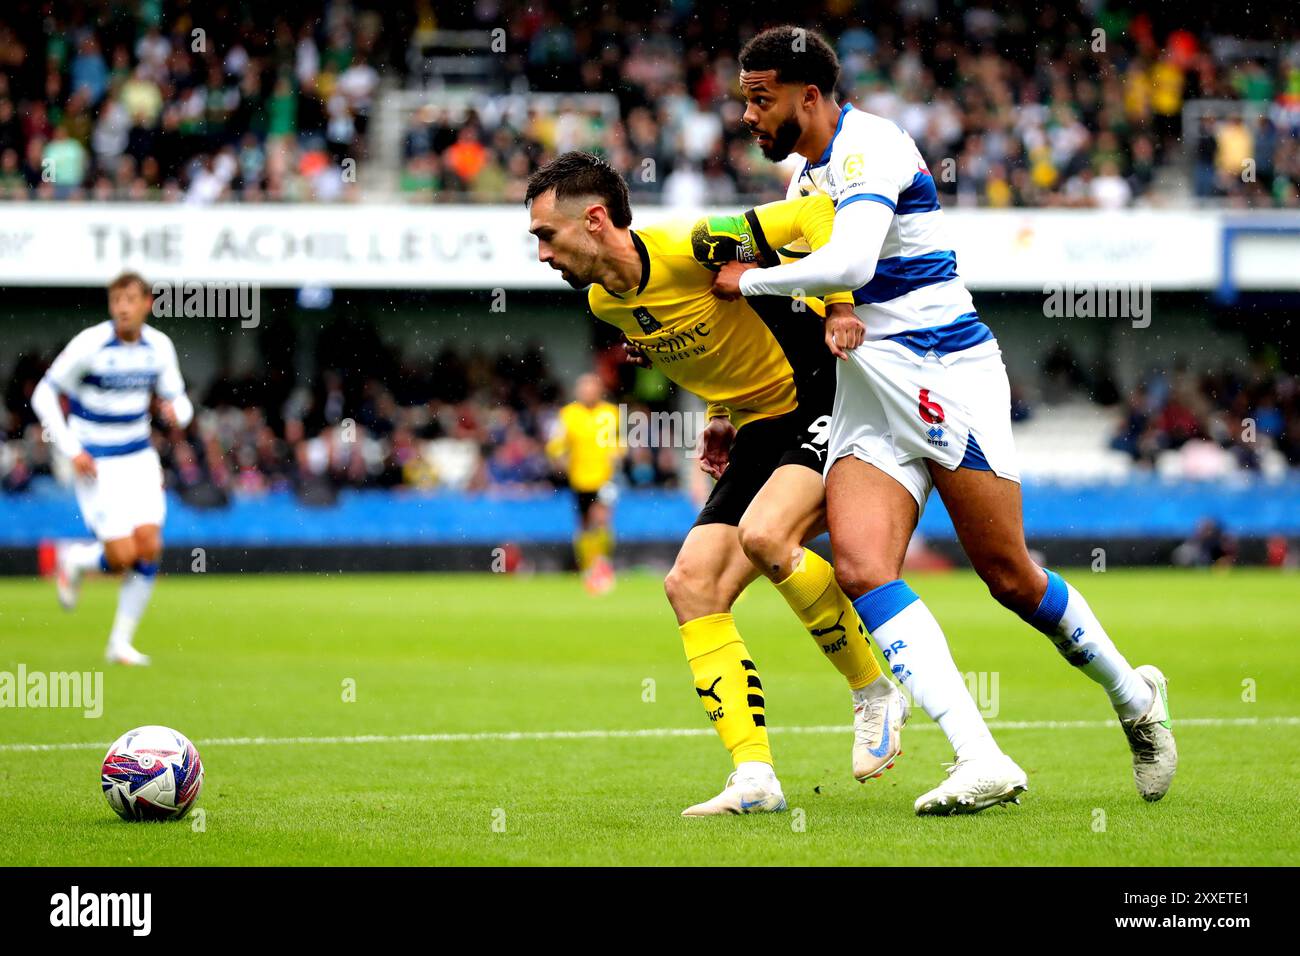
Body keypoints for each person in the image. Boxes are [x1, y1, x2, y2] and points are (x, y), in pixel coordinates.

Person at [713, 25, 1176, 812]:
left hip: (944, 374)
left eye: (761, 100)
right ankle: (980, 757)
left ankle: (1135, 699)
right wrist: (752, 389)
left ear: (809, 96)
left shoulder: (872, 149)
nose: (749, 116)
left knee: (1009, 576)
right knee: (863, 569)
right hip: (870, 393)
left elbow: (852, 261)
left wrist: (750, 279)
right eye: (744, 101)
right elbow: (834, 291)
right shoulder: (805, 183)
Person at [525, 151, 907, 815]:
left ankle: (874, 690)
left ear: (594, 220)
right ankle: (755, 777)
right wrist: (719, 415)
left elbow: (816, 213)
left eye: (546, 235)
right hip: (758, 424)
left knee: (766, 536)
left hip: (822, 394)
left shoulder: (694, 244)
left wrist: (840, 305)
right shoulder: (605, 303)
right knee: (690, 584)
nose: (541, 254)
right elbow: (706, 346)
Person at [31, 272, 192, 666]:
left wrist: (179, 413)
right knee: (121, 556)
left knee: (149, 547)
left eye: (130, 299)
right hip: (96, 462)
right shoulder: (90, 344)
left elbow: (179, 399)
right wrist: (71, 449)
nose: (122, 307)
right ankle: (75, 561)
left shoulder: (159, 346)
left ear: (147, 303)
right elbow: (43, 394)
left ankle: (120, 643)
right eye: (116, 300)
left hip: (138, 456)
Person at [546, 373, 622, 593]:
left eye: (591, 388)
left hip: (605, 477)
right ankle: (589, 567)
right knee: (584, 524)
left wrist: (617, 453)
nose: (588, 392)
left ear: (600, 391)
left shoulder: (611, 413)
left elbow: (620, 440)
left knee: (602, 518)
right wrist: (558, 456)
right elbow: (556, 442)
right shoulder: (568, 415)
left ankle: (603, 565)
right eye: (584, 388)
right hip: (580, 478)